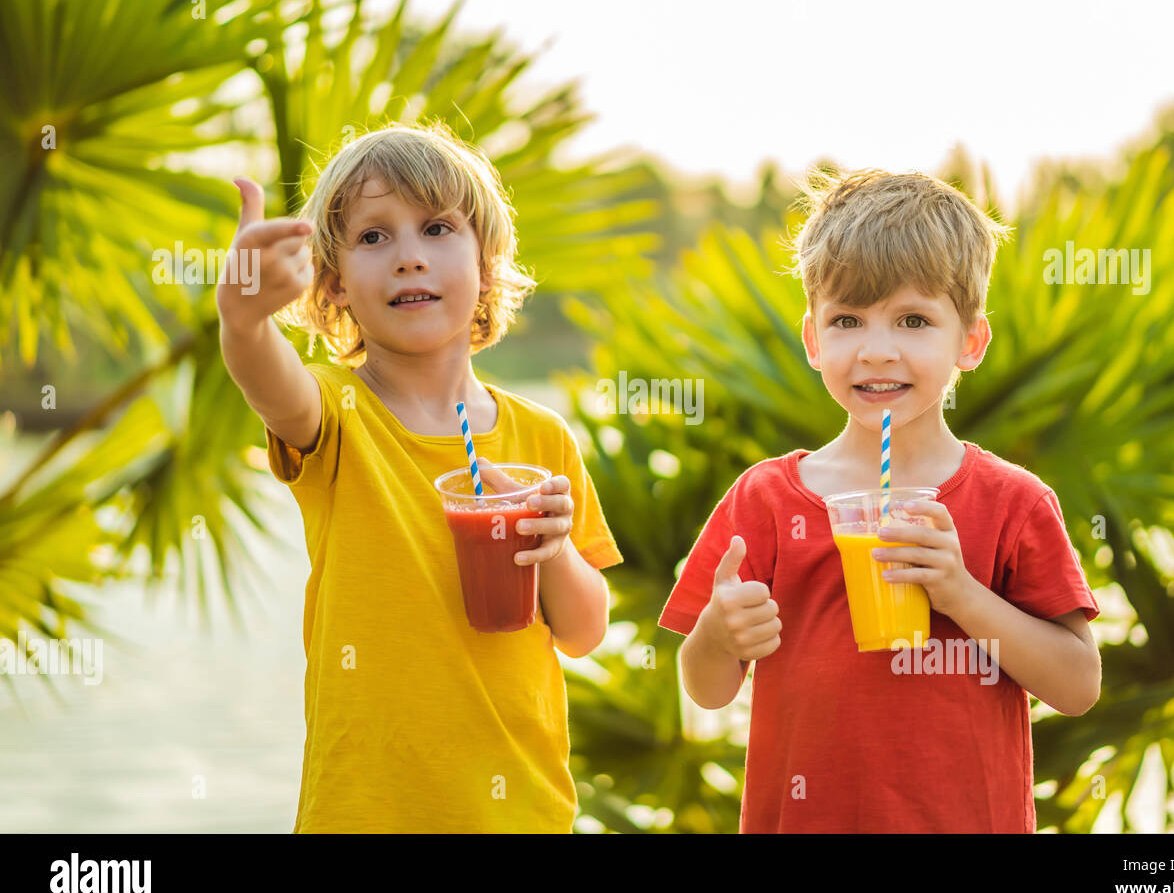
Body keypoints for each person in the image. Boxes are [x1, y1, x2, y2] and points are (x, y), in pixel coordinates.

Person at [659, 168, 1102, 832]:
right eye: (848, 320)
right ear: (813, 340)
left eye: (914, 320)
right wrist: (719, 635)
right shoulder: (766, 500)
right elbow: (706, 686)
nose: (876, 350)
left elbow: (1078, 685)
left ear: (970, 342)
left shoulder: (1013, 502)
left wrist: (960, 594)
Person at [216, 121, 621, 832]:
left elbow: (585, 631)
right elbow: (267, 381)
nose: (409, 259)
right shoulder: (335, 416)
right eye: (374, 237)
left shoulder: (541, 439)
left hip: (521, 811)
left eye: (437, 229)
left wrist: (553, 546)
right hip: (365, 812)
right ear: (334, 284)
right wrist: (244, 320)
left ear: (488, 267)